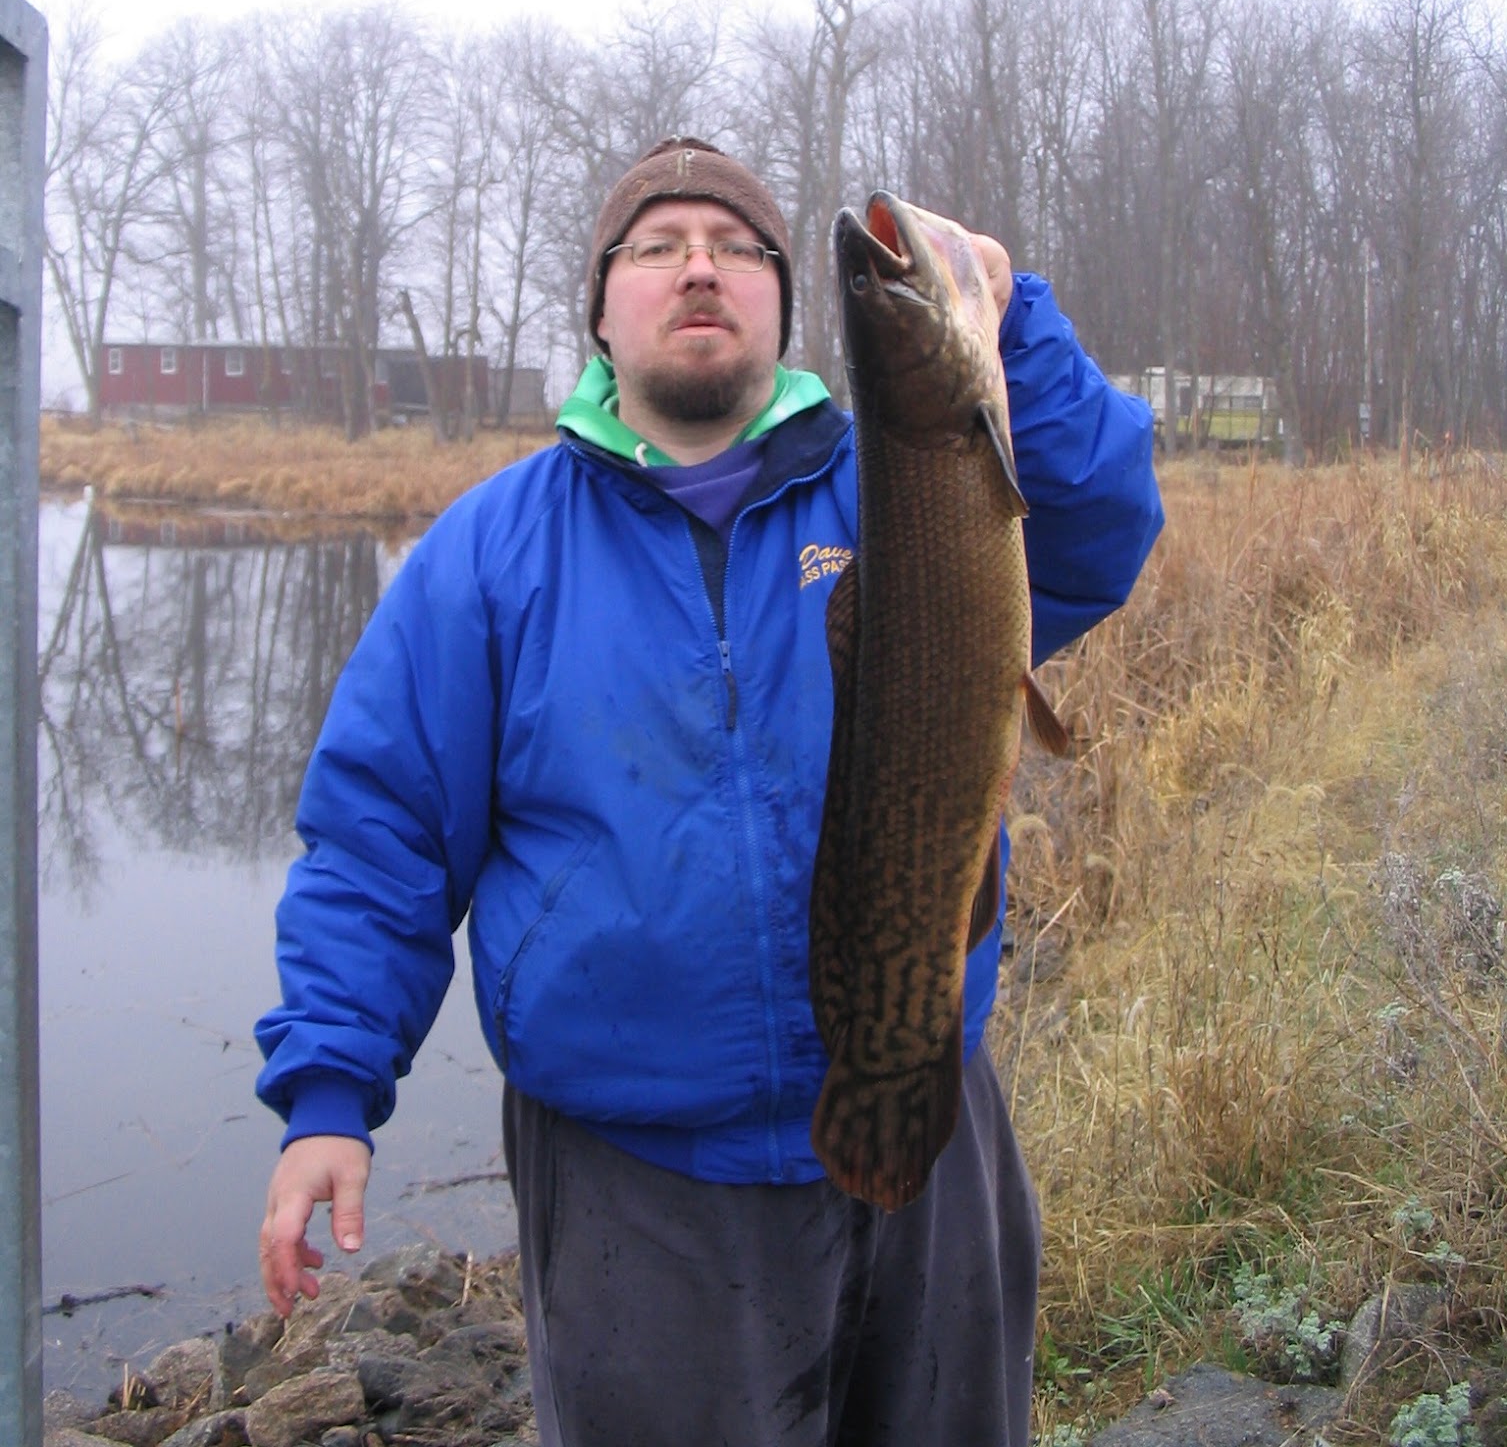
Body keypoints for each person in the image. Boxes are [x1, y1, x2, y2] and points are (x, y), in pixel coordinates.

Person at [256, 136, 1163, 1446]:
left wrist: (1011, 324)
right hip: (637, 1178)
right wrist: (330, 1092)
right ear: (600, 309)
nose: (700, 268)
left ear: (783, 304)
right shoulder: (491, 552)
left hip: (928, 1100)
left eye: (738, 247)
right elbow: (376, 838)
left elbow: (1102, 524)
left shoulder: (909, 482)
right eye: (658, 247)